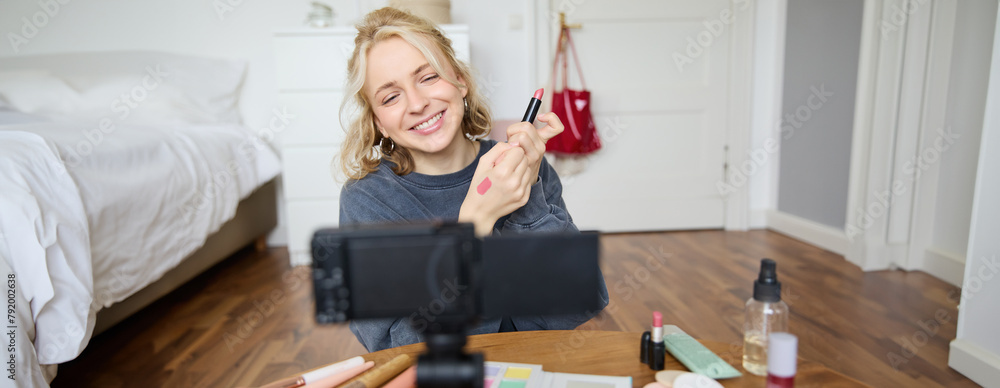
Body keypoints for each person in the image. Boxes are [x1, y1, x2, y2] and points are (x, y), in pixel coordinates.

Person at [337, 7, 609, 352]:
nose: (417, 103)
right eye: (391, 97)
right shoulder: (368, 200)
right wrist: (473, 228)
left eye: (428, 77)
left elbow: (575, 307)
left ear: (460, 81)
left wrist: (528, 199)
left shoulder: (521, 166)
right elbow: (397, 346)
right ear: (379, 122)